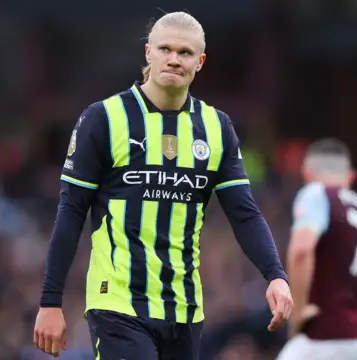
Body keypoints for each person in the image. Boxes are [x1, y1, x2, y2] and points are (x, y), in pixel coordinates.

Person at [33, 11, 293, 360]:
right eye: (165, 49)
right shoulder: (104, 118)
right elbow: (70, 212)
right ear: (148, 53)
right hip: (118, 303)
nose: (174, 59)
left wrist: (275, 275)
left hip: (185, 309)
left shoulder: (216, 128)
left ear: (199, 62)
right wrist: (50, 302)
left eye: (185, 53)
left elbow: (244, 214)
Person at [277, 138, 357, 360]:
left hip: (326, 336)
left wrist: (298, 313)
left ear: (307, 174)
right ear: (350, 176)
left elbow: (301, 251)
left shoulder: (316, 193)